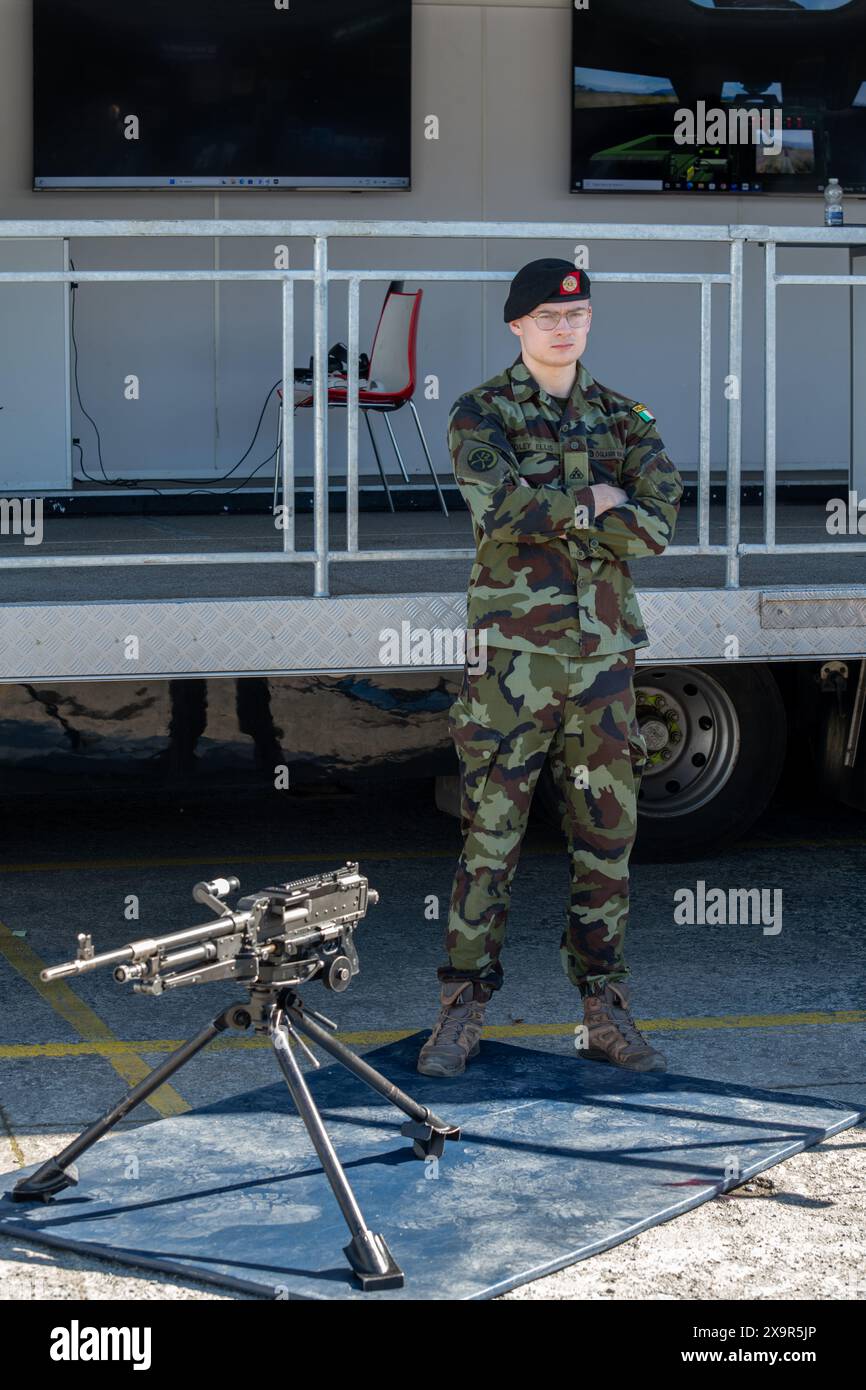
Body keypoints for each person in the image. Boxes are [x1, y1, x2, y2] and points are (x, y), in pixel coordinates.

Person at [418, 257, 683, 1078]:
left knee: (606, 843)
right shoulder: (481, 413)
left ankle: (604, 1011)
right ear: (517, 326)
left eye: (576, 315)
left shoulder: (623, 415)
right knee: (490, 838)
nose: (564, 327)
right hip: (514, 663)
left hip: (602, 661)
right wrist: (599, 503)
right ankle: (460, 1010)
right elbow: (499, 511)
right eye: (546, 317)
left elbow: (660, 524)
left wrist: (581, 511)